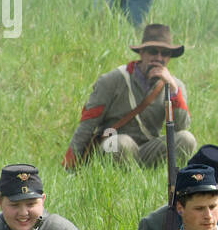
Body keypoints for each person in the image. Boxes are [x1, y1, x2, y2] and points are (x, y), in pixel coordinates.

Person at [62, 23, 197, 170]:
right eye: (153, 51)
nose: (159, 58)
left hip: (147, 150)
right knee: (122, 143)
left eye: (164, 53)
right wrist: (69, 164)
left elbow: (181, 127)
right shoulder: (112, 80)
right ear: (142, 53)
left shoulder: (174, 86)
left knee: (187, 139)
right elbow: (87, 124)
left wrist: (172, 90)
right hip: (112, 145)